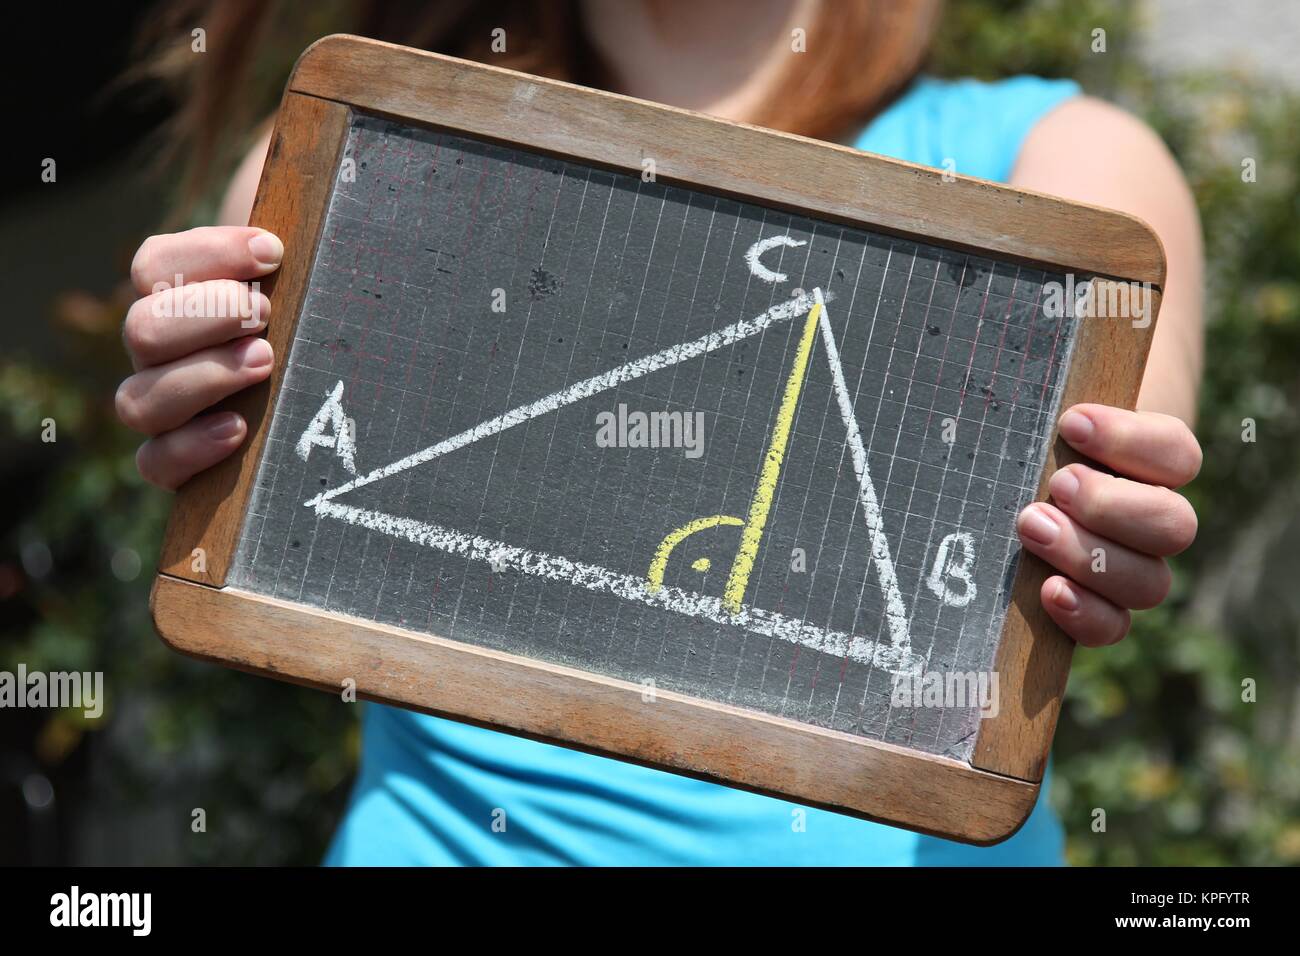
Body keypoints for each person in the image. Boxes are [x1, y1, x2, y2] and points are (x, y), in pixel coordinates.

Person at [115, 0, 1203, 864]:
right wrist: (206, 399)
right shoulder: (365, 139)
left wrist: (1112, 515)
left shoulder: (1062, 161)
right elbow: (245, 529)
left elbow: (1122, 460)